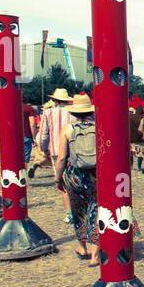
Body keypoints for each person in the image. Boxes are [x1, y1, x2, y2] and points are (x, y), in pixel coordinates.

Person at [56, 92, 100, 263]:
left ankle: (82, 248)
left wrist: (58, 179)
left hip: (75, 175)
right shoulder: (97, 127)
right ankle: (95, 256)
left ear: (73, 111)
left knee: (79, 211)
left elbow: (61, 158)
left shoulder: (68, 129)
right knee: (96, 212)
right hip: (95, 175)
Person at [30, 88, 72, 208]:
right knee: (74, 179)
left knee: (61, 181)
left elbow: (44, 134)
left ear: (55, 100)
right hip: (74, 151)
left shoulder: (48, 113)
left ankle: (69, 212)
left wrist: (43, 148)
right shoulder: (73, 111)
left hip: (56, 150)